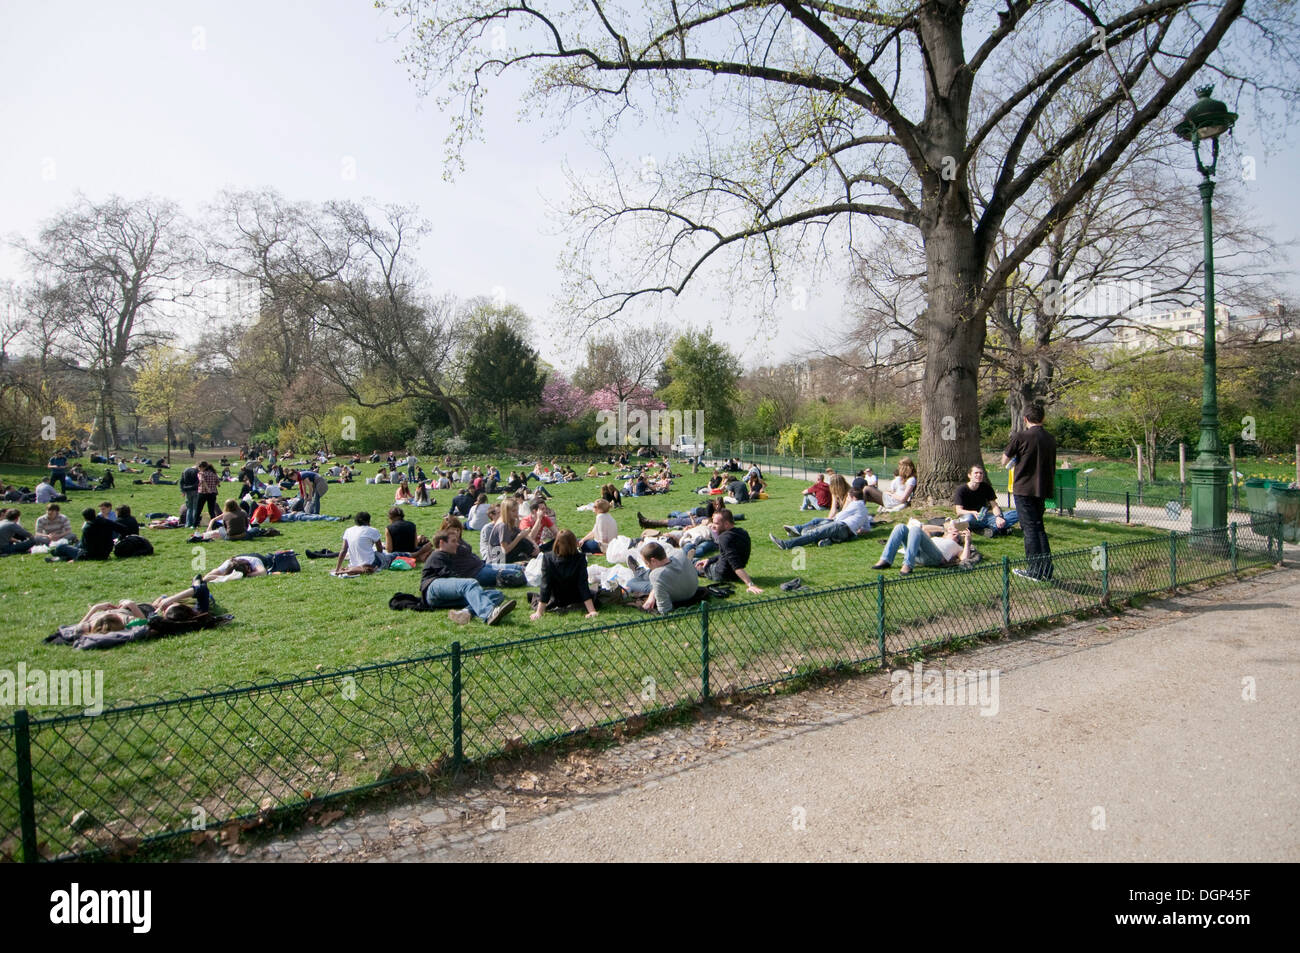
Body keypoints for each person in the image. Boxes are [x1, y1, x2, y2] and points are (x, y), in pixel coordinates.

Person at [1002, 404, 1056, 581]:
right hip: (1042, 489)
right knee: (1039, 527)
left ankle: (1034, 570)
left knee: (1029, 529)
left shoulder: (1021, 436)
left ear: (1025, 419)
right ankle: (1046, 569)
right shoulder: (1050, 438)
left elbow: (1004, 460)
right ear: (1043, 419)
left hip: (1024, 488)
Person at [420, 528, 517, 625]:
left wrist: (475, 590)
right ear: (442, 543)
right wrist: (473, 587)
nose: (457, 544)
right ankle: (489, 614)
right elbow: (449, 575)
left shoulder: (449, 556)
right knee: (470, 583)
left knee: (496, 594)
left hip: (445, 597)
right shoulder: (436, 555)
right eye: (453, 541)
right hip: (432, 588)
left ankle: (464, 613)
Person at [771, 486, 872, 549]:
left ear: (853, 497)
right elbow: (867, 528)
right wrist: (856, 530)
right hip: (848, 534)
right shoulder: (864, 509)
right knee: (819, 532)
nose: (848, 498)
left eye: (849, 497)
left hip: (841, 526)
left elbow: (840, 516)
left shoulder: (855, 504)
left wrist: (830, 520)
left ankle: (786, 544)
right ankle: (827, 540)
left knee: (814, 533)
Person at [530, 530, 599, 620]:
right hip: (576, 598)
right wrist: (591, 610)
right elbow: (583, 585)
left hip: (557, 599)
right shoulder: (580, 558)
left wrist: (539, 612)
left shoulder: (548, 558)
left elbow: (545, 585)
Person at [872, 518, 976, 574]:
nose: (956, 534)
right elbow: (923, 527)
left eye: (957, 536)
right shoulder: (936, 538)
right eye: (953, 532)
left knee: (915, 529)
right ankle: (885, 560)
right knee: (901, 527)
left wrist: (967, 541)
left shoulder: (957, 546)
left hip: (935, 558)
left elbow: (964, 558)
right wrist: (944, 529)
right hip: (918, 553)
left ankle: (908, 565)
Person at [695, 508, 763, 594]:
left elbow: (736, 564)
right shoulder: (742, 532)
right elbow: (728, 554)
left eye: (716, 523)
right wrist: (710, 559)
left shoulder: (724, 538)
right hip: (733, 575)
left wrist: (750, 584)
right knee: (704, 561)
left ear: (726, 524)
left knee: (695, 564)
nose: (712, 525)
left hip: (720, 574)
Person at [627, 541, 699, 615]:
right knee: (650, 571)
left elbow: (665, 609)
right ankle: (639, 571)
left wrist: (651, 597)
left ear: (653, 560)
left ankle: (638, 571)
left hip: (676, 592)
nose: (647, 565)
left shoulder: (656, 575)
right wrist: (653, 594)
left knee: (631, 583)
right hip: (690, 587)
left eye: (646, 563)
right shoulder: (679, 553)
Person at [953, 464, 1018, 537]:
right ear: (969, 475)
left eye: (981, 473)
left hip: (984, 517)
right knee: (968, 518)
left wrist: (999, 517)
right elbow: (958, 511)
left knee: (1017, 513)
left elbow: (994, 505)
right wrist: (972, 512)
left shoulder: (986, 487)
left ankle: (990, 529)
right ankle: (997, 529)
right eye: (976, 473)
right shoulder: (961, 490)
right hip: (970, 517)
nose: (979, 475)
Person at [49, 507, 128, 561]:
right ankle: (62, 557)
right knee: (78, 544)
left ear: (85, 518)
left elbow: (86, 548)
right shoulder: (106, 521)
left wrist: (77, 558)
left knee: (61, 547)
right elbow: (123, 529)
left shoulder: (88, 528)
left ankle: (59, 555)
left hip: (92, 555)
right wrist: (119, 540)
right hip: (105, 552)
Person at [333, 512, 386, 576]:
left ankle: (353, 569)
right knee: (391, 555)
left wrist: (337, 568)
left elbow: (343, 550)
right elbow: (380, 550)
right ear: (368, 521)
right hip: (370, 563)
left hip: (353, 564)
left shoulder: (348, 530)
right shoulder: (372, 530)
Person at [179, 462, 201, 528]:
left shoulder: (185, 471)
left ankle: (188, 523)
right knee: (195, 508)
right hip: (195, 490)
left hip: (187, 490)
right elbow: (199, 482)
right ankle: (194, 523)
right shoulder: (197, 472)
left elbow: (181, 482)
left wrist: (183, 490)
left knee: (189, 508)